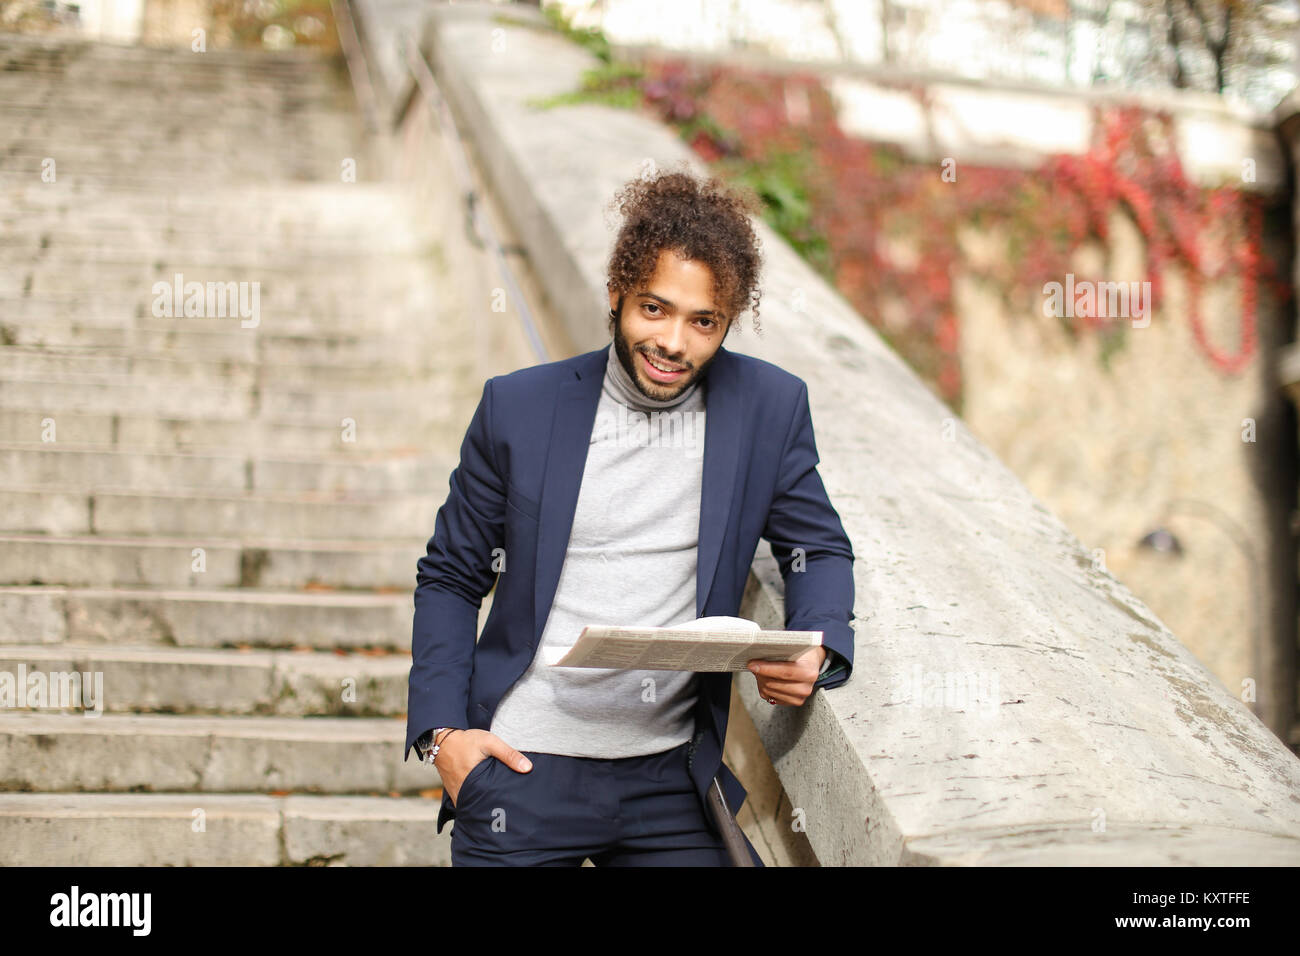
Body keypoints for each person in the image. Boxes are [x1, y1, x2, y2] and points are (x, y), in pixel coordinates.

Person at [406, 167, 855, 866]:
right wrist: (443, 738)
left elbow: (818, 547)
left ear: (727, 321)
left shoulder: (769, 408)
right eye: (655, 309)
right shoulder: (519, 409)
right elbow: (450, 576)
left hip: (672, 782)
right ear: (617, 294)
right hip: (521, 769)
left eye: (702, 321)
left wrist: (818, 645)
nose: (674, 342)